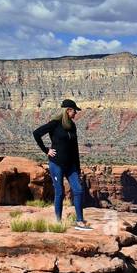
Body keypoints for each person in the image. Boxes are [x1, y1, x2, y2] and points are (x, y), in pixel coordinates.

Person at [33, 98, 91, 230]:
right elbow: (36, 133)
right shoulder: (55, 124)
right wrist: (46, 150)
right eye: (74, 111)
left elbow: (74, 147)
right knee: (60, 192)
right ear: (68, 110)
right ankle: (58, 222)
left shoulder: (72, 125)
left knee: (78, 190)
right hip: (56, 164)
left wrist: (78, 167)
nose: (76, 113)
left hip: (71, 166)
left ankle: (80, 221)